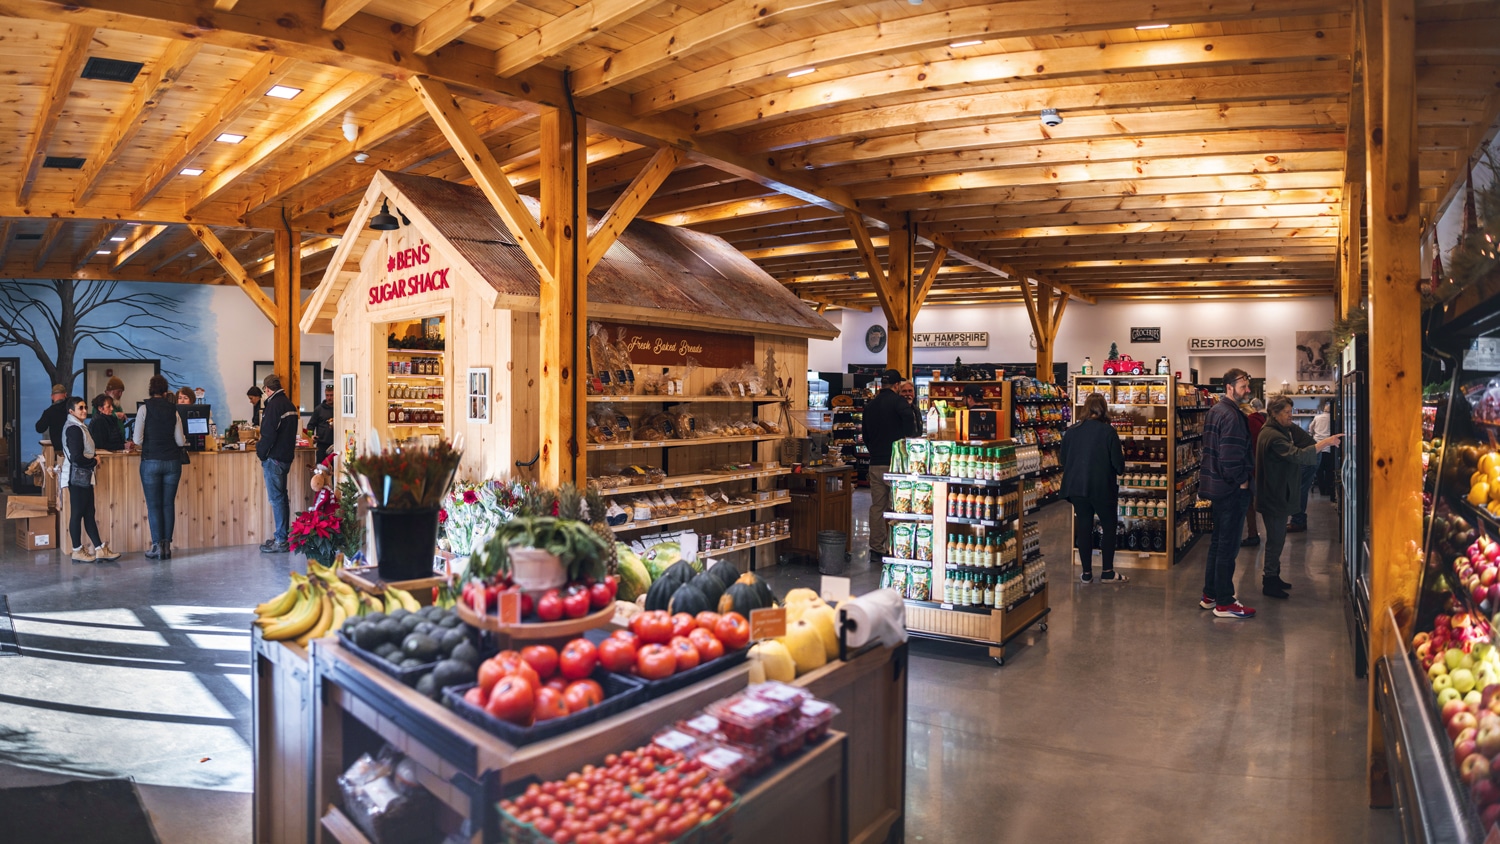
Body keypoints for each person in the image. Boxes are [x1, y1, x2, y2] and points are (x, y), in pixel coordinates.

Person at [1255, 395, 1344, 598]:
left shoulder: (1278, 430)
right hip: (1273, 496)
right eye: (1287, 412)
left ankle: (1274, 577)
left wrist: (1292, 428)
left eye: (1291, 411)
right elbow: (1298, 455)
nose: (1291, 415)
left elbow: (1304, 443)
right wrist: (1326, 442)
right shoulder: (1273, 436)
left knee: (1278, 539)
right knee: (1275, 541)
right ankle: (1269, 582)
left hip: (1274, 494)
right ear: (1275, 413)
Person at [1199, 368, 1257, 619]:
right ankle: (1224, 601)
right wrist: (1242, 480)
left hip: (1216, 487)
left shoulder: (1216, 410)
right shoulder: (1232, 415)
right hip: (1231, 490)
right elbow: (1230, 457)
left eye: (1247, 386)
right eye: (1243, 386)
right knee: (1228, 547)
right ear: (1229, 387)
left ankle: (1210, 595)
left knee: (1217, 543)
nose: (1247, 391)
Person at [1061, 393, 1126, 583]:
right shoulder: (1108, 432)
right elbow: (1118, 465)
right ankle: (1107, 572)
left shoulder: (1071, 431)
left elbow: (1063, 460)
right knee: (1108, 526)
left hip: (1077, 488)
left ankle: (1086, 573)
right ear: (1103, 409)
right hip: (1102, 488)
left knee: (1084, 526)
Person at [862, 369, 916, 562]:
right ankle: (898, 547)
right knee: (898, 507)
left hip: (875, 463)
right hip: (896, 465)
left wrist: (874, 451)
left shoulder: (870, 405)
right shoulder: (899, 402)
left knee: (877, 507)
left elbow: (865, 434)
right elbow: (909, 424)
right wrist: (904, 442)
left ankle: (876, 548)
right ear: (895, 386)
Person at [60, 396, 120, 562]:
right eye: (80, 408)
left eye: (85, 407)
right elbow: (77, 457)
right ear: (71, 411)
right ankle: (77, 550)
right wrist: (94, 460)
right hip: (77, 477)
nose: (85, 410)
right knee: (78, 513)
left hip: (83, 476)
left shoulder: (79, 426)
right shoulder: (74, 428)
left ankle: (99, 548)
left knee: (88, 513)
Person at [134, 375, 185, 560]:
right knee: (168, 504)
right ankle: (167, 547)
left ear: (150, 390)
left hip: (150, 461)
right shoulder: (174, 411)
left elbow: (137, 440)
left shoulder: (144, 409)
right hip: (172, 462)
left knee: (154, 505)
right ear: (165, 392)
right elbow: (180, 441)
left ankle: (156, 547)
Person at [257, 374, 300, 554]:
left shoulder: (273, 406)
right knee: (282, 498)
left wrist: (261, 453)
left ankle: (281, 540)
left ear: (267, 389)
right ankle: (283, 536)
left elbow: (268, 435)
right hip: (286, 457)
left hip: (274, 459)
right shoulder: (289, 405)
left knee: (277, 499)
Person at [1241, 398, 1267, 548]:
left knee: (1249, 502)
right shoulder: (1260, 420)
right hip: (1261, 466)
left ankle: (1252, 534)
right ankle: (1254, 533)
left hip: (1252, 467)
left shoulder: (1249, 422)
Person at [1311, 400, 1337, 499]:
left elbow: (1310, 428)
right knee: (1329, 470)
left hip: (1318, 445)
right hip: (1329, 447)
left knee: (1319, 469)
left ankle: (1322, 489)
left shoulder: (1317, 417)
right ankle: (1329, 489)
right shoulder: (1333, 418)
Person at [35, 383, 69, 454]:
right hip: (74, 448)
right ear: (65, 394)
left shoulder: (49, 412)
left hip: (59, 449)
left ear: (52, 396)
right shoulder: (72, 407)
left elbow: (39, 428)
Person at [310, 383, 336, 463]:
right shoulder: (319, 409)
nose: (329, 398)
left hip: (335, 444)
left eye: (331, 395)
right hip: (321, 445)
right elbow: (310, 425)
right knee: (320, 470)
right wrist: (311, 436)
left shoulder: (338, 409)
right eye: (327, 395)